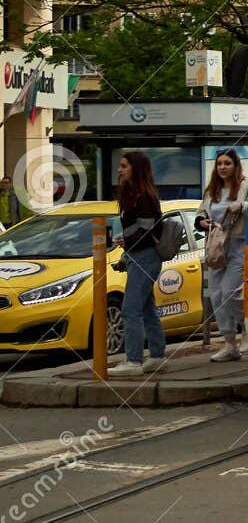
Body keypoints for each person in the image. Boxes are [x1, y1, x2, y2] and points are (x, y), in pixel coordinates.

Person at [108, 152, 165, 376]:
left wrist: (126, 241)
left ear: (136, 168)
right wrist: (127, 249)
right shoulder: (133, 195)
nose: (120, 170)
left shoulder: (144, 197)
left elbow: (147, 229)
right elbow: (138, 230)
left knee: (130, 308)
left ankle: (133, 361)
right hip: (137, 256)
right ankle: (158, 356)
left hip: (145, 257)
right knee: (146, 308)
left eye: (124, 166)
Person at [196, 149, 248, 362]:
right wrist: (202, 221)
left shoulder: (246, 186)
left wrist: (242, 206)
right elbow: (201, 213)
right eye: (219, 164)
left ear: (236, 166)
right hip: (217, 246)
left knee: (230, 292)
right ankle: (229, 344)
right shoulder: (212, 191)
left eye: (227, 163)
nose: (222, 167)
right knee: (216, 295)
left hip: (238, 243)